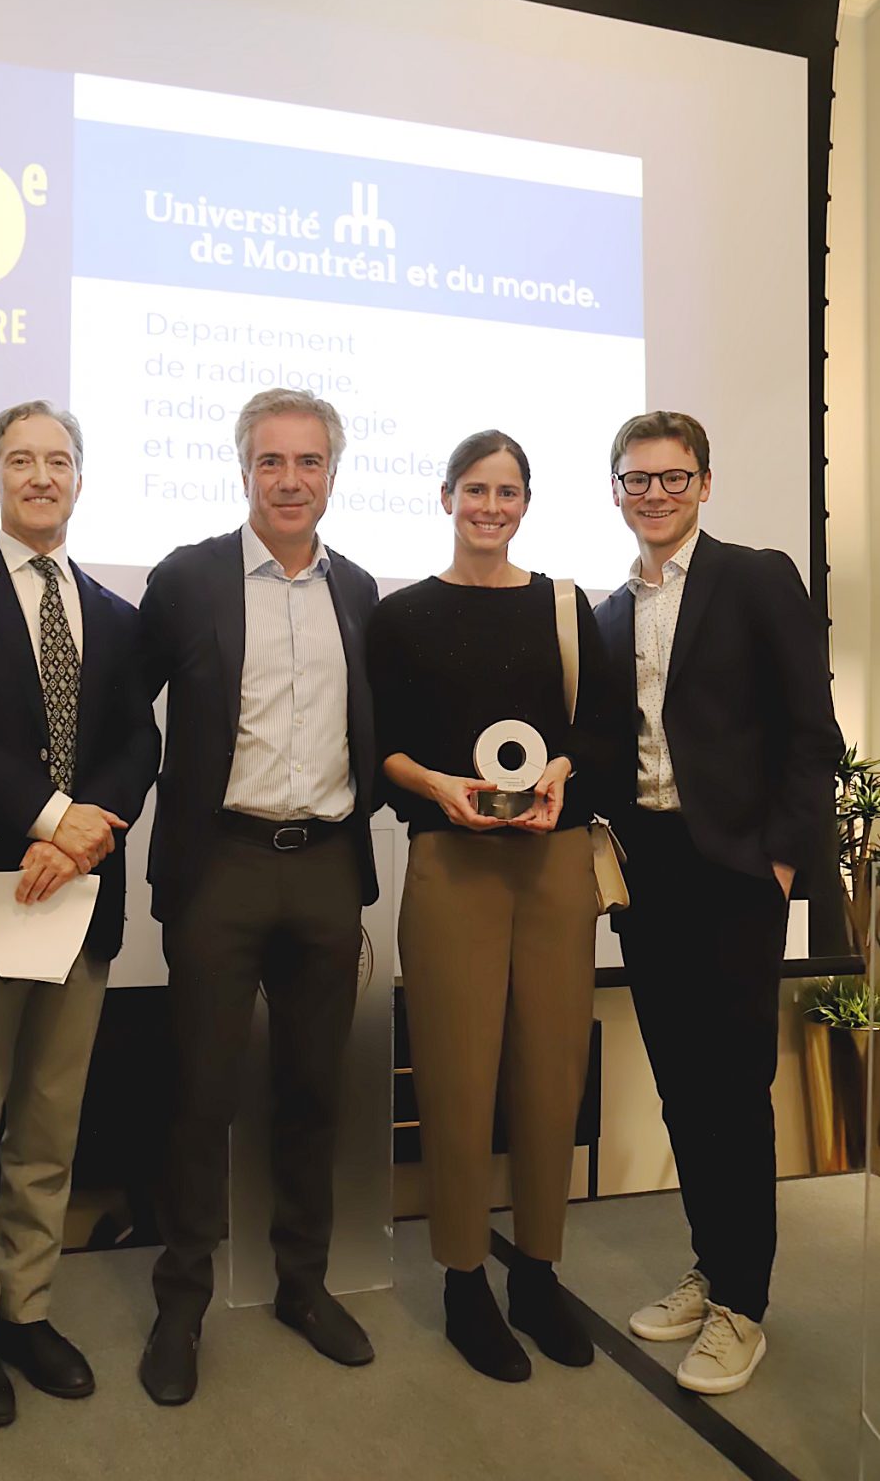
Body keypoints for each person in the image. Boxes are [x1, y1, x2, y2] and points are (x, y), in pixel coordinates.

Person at [0, 400, 160, 1427]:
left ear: (80, 479)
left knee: (48, 1128)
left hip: (78, 901)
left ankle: (25, 1309)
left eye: (58, 460)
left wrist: (92, 831)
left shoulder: (119, 615)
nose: (40, 475)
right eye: (21, 459)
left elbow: (136, 744)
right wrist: (51, 818)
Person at [136, 388, 381, 1405]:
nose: (291, 481)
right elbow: (120, 716)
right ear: (243, 471)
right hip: (220, 865)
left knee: (313, 1093)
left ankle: (301, 1284)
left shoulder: (360, 591)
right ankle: (180, 1305)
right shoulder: (187, 580)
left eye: (309, 462)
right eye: (272, 463)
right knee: (199, 1096)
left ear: (332, 472)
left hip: (325, 864)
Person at [595, 410, 843, 1394]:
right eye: (635, 479)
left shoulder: (753, 576)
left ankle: (743, 1305)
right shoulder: (608, 611)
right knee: (678, 1085)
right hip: (645, 873)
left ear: (704, 484)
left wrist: (780, 861)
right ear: (613, 490)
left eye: (671, 477)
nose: (653, 494)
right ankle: (712, 1266)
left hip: (733, 871)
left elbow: (807, 730)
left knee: (734, 1094)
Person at [367, 429, 612, 1383]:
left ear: (524, 503)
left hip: (551, 862)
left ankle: (538, 1274)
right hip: (449, 863)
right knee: (457, 1079)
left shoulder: (562, 606)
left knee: (551, 1075)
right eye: (475, 489)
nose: (491, 506)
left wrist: (555, 770)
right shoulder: (400, 617)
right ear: (444, 497)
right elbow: (378, 744)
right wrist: (435, 787)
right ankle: (464, 1280)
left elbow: (594, 730)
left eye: (507, 491)